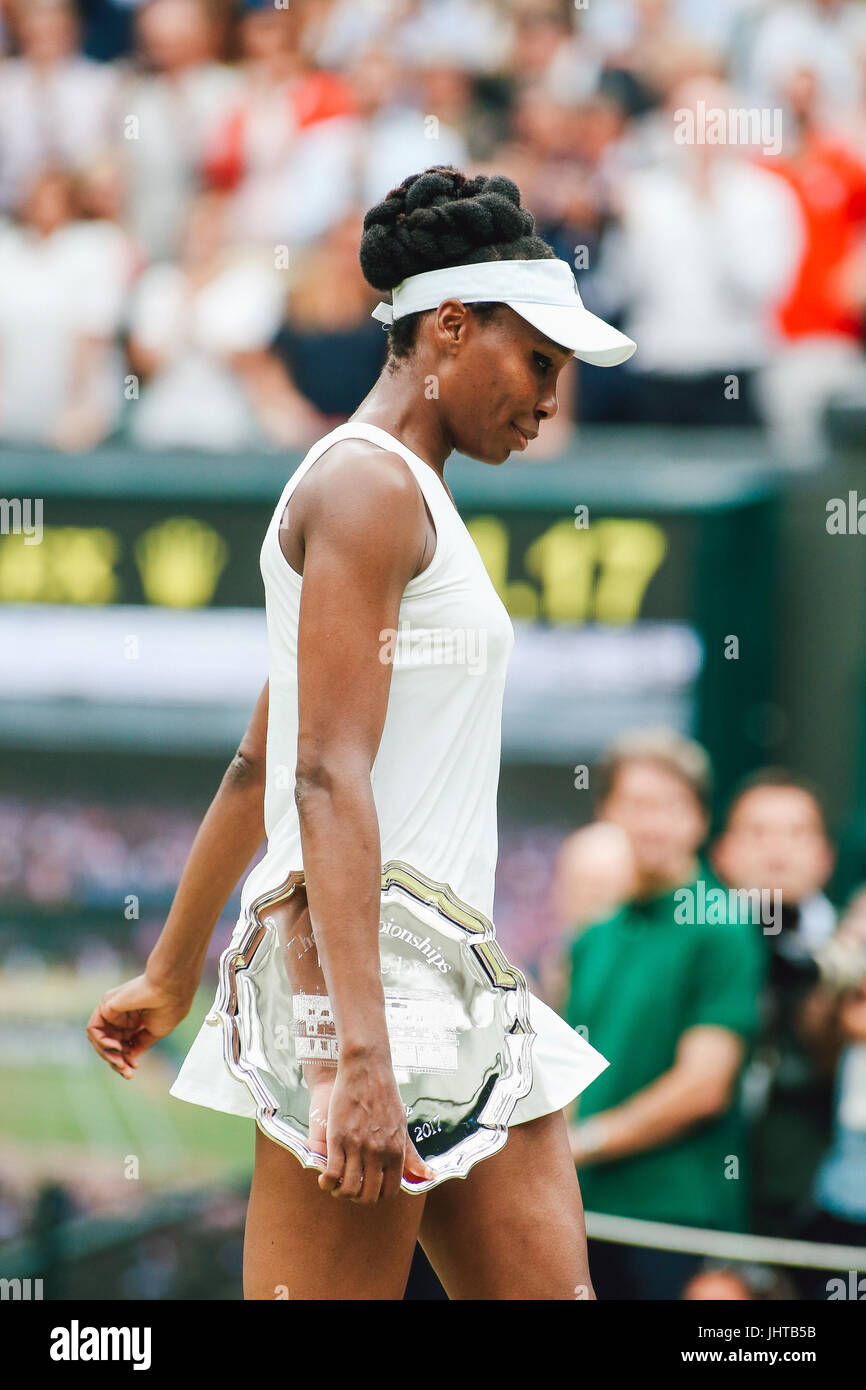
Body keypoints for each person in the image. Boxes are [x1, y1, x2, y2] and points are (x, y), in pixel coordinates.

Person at [86, 164, 636, 1301]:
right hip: (365, 991)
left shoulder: (391, 491)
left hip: (449, 978)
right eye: (536, 361)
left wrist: (170, 969)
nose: (549, 397)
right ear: (446, 327)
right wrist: (361, 1054)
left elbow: (257, 764)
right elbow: (321, 776)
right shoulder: (366, 491)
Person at [562, 728, 766, 1300]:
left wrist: (585, 1142)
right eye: (637, 804)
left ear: (700, 819)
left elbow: (705, 1086)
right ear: (607, 813)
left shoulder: (722, 926)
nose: (654, 823)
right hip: (584, 1209)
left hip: (675, 1218)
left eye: (672, 806)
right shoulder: (597, 934)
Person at [712, 768, 837, 1239]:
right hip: (701, 1215)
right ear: (721, 852)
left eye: (797, 833)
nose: (777, 850)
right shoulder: (690, 951)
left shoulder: (847, 954)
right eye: (758, 832)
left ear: (827, 856)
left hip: (820, 1221)